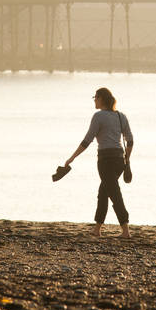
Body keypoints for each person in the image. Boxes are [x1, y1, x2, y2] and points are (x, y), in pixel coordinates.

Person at [63, 87, 133, 238]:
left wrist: (72, 158)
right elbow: (130, 140)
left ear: (101, 99)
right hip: (119, 160)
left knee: (114, 193)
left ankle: (126, 230)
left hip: (105, 160)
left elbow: (87, 140)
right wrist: (127, 159)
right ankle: (97, 229)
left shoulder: (98, 116)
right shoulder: (122, 116)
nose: (94, 100)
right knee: (104, 192)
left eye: (95, 97)